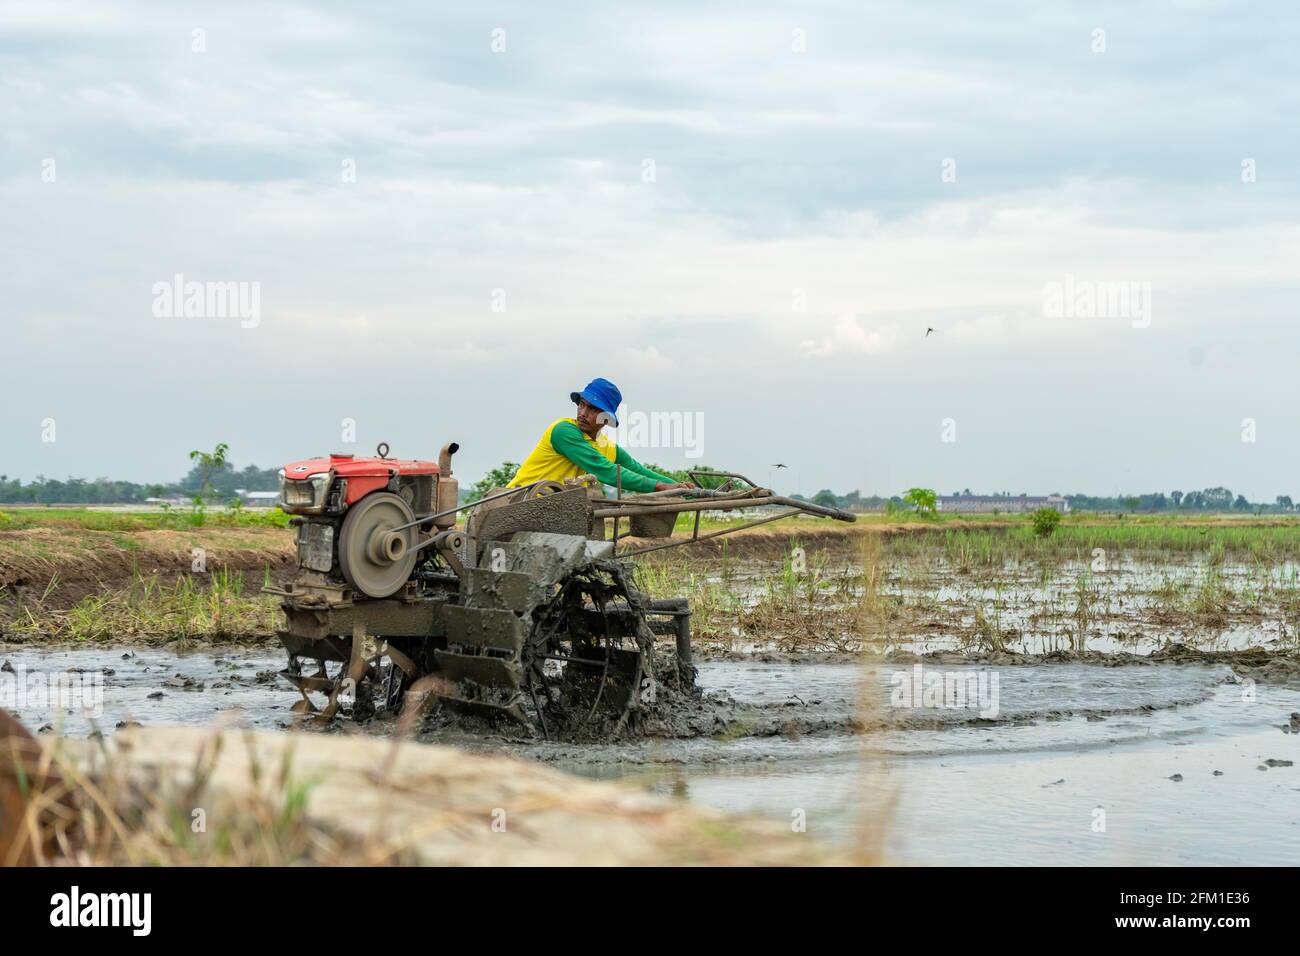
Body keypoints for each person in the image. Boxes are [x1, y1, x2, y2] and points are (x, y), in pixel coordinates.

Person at [507, 377, 692, 493]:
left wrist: (685, 490)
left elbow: (639, 471)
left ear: (606, 419)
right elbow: (605, 470)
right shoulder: (563, 431)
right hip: (517, 505)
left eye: (593, 409)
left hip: (554, 514)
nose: (582, 413)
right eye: (582, 404)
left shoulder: (607, 447)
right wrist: (660, 486)